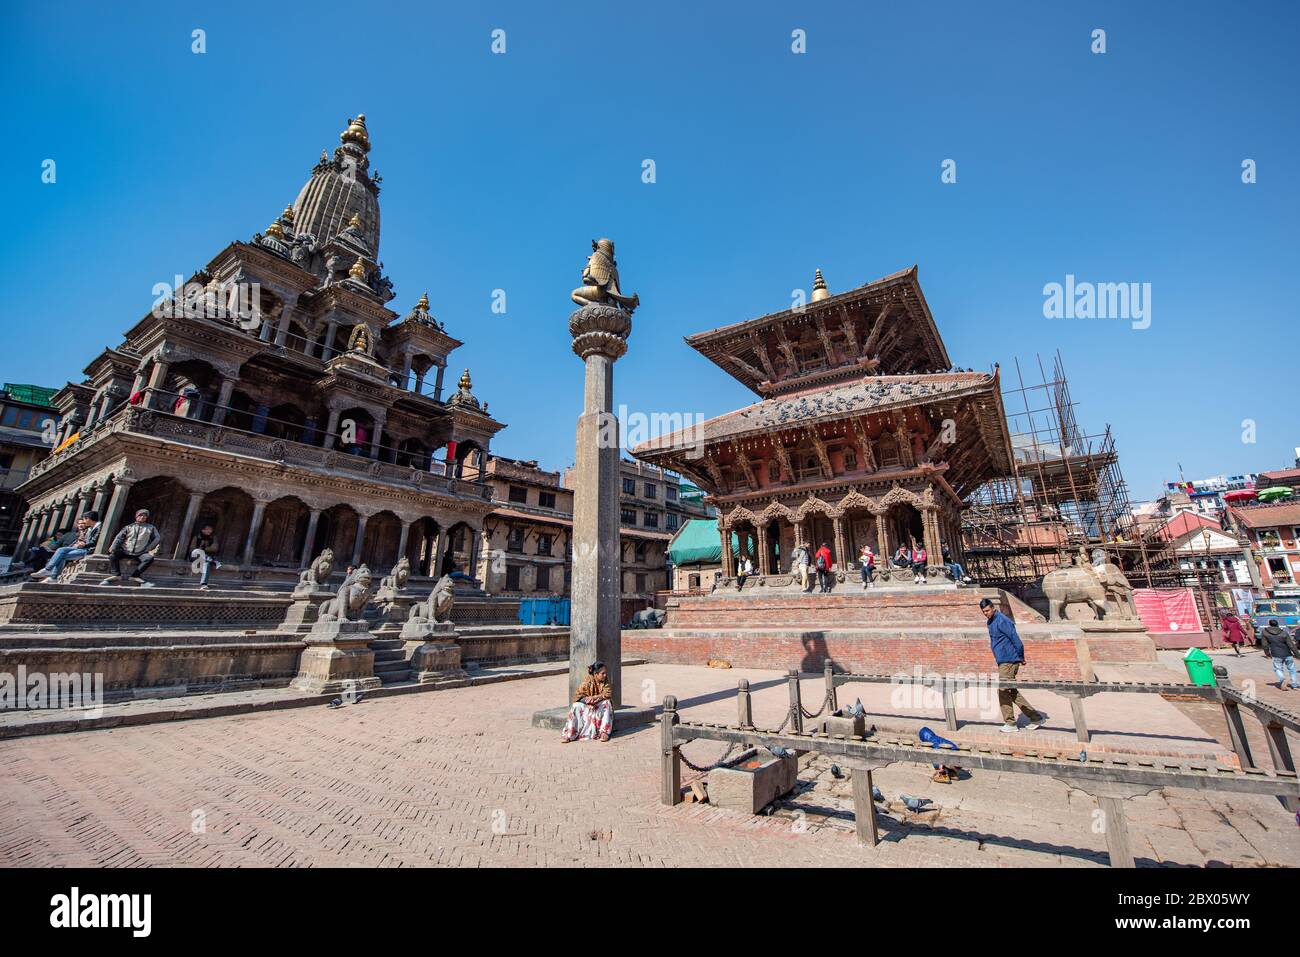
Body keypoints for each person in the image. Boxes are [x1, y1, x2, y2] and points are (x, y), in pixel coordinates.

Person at [980, 597, 1046, 732]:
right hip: (1002, 660)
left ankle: (1010, 723)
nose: (986, 613)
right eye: (984, 612)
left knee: (1003, 690)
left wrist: (1021, 657)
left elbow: (1016, 639)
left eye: (987, 610)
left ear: (993, 607)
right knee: (1012, 691)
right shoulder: (990, 622)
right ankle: (1035, 717)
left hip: (1009, 660)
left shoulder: (1003, 621)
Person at [29, 512, 101, 580]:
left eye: (84, 520)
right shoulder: (90, 529)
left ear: (88, 518)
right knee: (61, 550)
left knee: (61, 555)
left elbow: (94, 541)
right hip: (82, 548)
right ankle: (49, 573)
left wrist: (84, 544)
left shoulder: (98, 527)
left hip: (88, 550)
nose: (84, 522)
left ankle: (51, 574)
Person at [101, 508, 161, 586]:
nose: (143, 517)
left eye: (145, 516)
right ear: (136, 516)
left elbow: (157, 538)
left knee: (149, 558)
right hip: (126, 551)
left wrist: (148, 548)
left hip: (140, 552)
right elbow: (119, 538)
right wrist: (113, 547)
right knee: (113, 555)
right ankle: (116, 575)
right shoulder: (129, 527)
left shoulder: (151, 528)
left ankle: (135, 576)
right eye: (141, 515)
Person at [561, 660, 614, 742]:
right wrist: (587, 700)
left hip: (598, 706)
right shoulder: (587, 682)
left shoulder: (605, 680)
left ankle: (604, 732)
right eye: (602, 673)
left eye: (605, 673)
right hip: (587, 706)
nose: (605, 675)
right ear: (596, 674)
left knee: (607, 703)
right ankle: (569, 734)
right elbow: (578, 696)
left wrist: (596, 697)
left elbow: (607, 693)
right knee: (575, 706)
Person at [1259, 618, 1299, 690]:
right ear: (1277, 624)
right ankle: (1295, 685)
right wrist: (1297, 655)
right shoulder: (1283, 632)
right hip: (1287, 653)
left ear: (1269, 624)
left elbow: (1264, 645)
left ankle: (1282, 679)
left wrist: (1267, 654)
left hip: (1276, 654)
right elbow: (1291, 645)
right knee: (1292, 669)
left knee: (1278, 668)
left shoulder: (1265, 632)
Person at [191, 523, 222, 590]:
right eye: (208, 529)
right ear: (203, 530)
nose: (210, 531)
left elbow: (215, 548)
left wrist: (204, 548)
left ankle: (204, 584)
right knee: (198, 551)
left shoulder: (213, 538)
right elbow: (192, 548)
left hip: (206, 557)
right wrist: (203, 549)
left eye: (211, 530)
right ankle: (214, 561)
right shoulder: (197, 537)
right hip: (196, 556)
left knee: (207, 564)